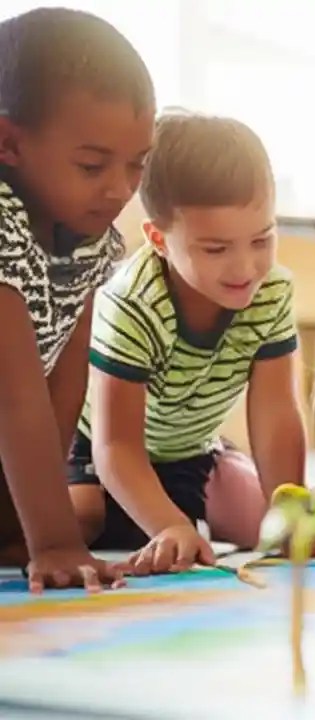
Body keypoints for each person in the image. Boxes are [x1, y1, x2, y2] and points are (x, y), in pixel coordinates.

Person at [70, 111, 306, 576]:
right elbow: (115, 445)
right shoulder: (133, 303)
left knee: (265, 524)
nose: (245, 268)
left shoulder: (271, 291)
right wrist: (169, 526)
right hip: (97, 451)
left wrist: (294, 517)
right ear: (159, 238)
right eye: (216, 249)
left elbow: (277, 412)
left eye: (262, 239)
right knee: (82, 521)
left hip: (191, 450)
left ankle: (198, 493)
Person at [0, 8, 154, 593]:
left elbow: (64, 379)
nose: (119, 189)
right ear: (8, 142)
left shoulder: (90, 238)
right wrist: (55, 540)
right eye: (92, 166)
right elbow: (15, 396)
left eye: (137, 165)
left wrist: (31, 529)